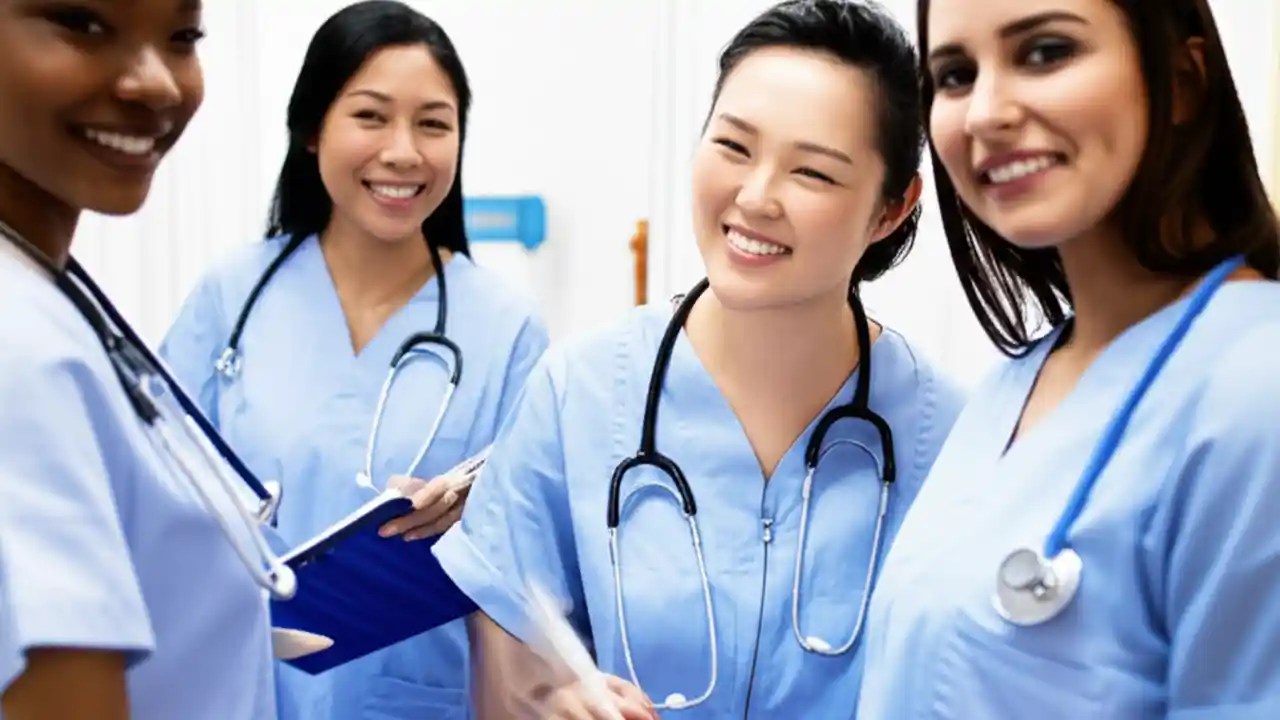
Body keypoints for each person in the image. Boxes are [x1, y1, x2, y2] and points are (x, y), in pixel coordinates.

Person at [432, 1, 967, 717]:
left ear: (892, 209)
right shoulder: (581, 394)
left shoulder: (953, 439)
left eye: (812, 172)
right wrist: (552, 705)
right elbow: (509, 670)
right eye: (734, 147)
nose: (754, 196)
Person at [857, 0, 1280, 717]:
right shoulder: (1008, 389)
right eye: (955, 75)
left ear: (1183, 79)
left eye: (1045, 52)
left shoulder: (1255, 385)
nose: (985, 112)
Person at [159, 2, 548, 719]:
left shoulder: (507, 329)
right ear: (313, 130)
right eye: (370, 116)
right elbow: (153, 490)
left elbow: (538, 555)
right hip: (236, 690)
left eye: (433, 123)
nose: (403, 151)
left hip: (409, 698)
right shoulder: (231, 296)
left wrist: (477, 518)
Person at [0, 1, 282, 719]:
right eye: (83, 23)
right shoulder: (22, 352)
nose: (156, 82)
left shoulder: (48, 291)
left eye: (182, 36)